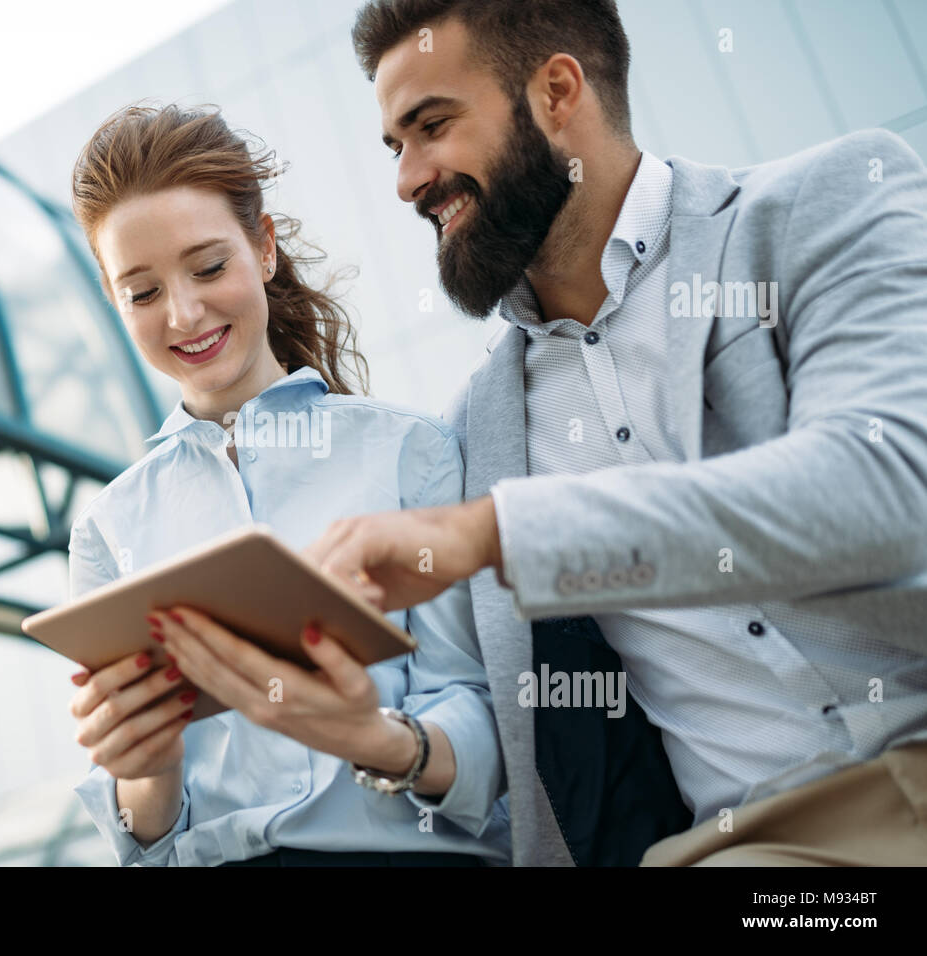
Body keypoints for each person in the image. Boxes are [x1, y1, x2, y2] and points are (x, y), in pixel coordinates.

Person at [303, 0, 927, 866]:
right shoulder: (477, 436)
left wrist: (495, 533)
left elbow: (885, 487)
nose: (407, 179)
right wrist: (365, 724)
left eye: (431, 126)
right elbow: (481, 711)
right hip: (754, 851)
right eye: (394, 146)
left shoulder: (822, 204)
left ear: (559, 91)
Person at [63, 103, 510, 866]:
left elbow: (484, 724)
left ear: (263, 248)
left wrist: (375, 740)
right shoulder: (110, 528)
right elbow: (150, 841)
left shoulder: (412, 451)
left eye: (208, 267)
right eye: (141, 293)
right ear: (115, 303)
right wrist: (149, 770)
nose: (185, 312)